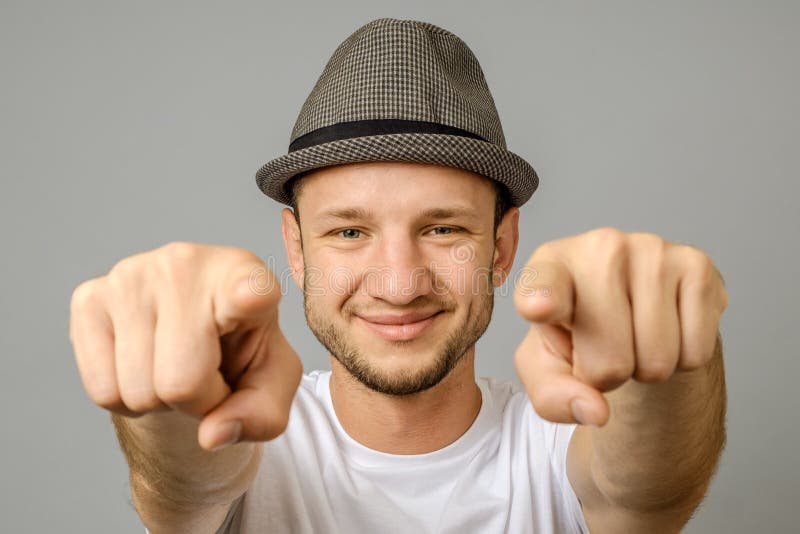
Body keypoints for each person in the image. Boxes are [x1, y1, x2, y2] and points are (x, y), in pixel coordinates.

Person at [69, 18, 728, 534]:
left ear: (502, 247)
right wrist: (172, 402)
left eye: (443, 229)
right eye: (349, 232)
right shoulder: (259, 445)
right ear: (295, 252)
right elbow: (182, 489)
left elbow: (650, 485)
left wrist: (660, 368)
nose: (398, 282)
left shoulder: (559, 444)